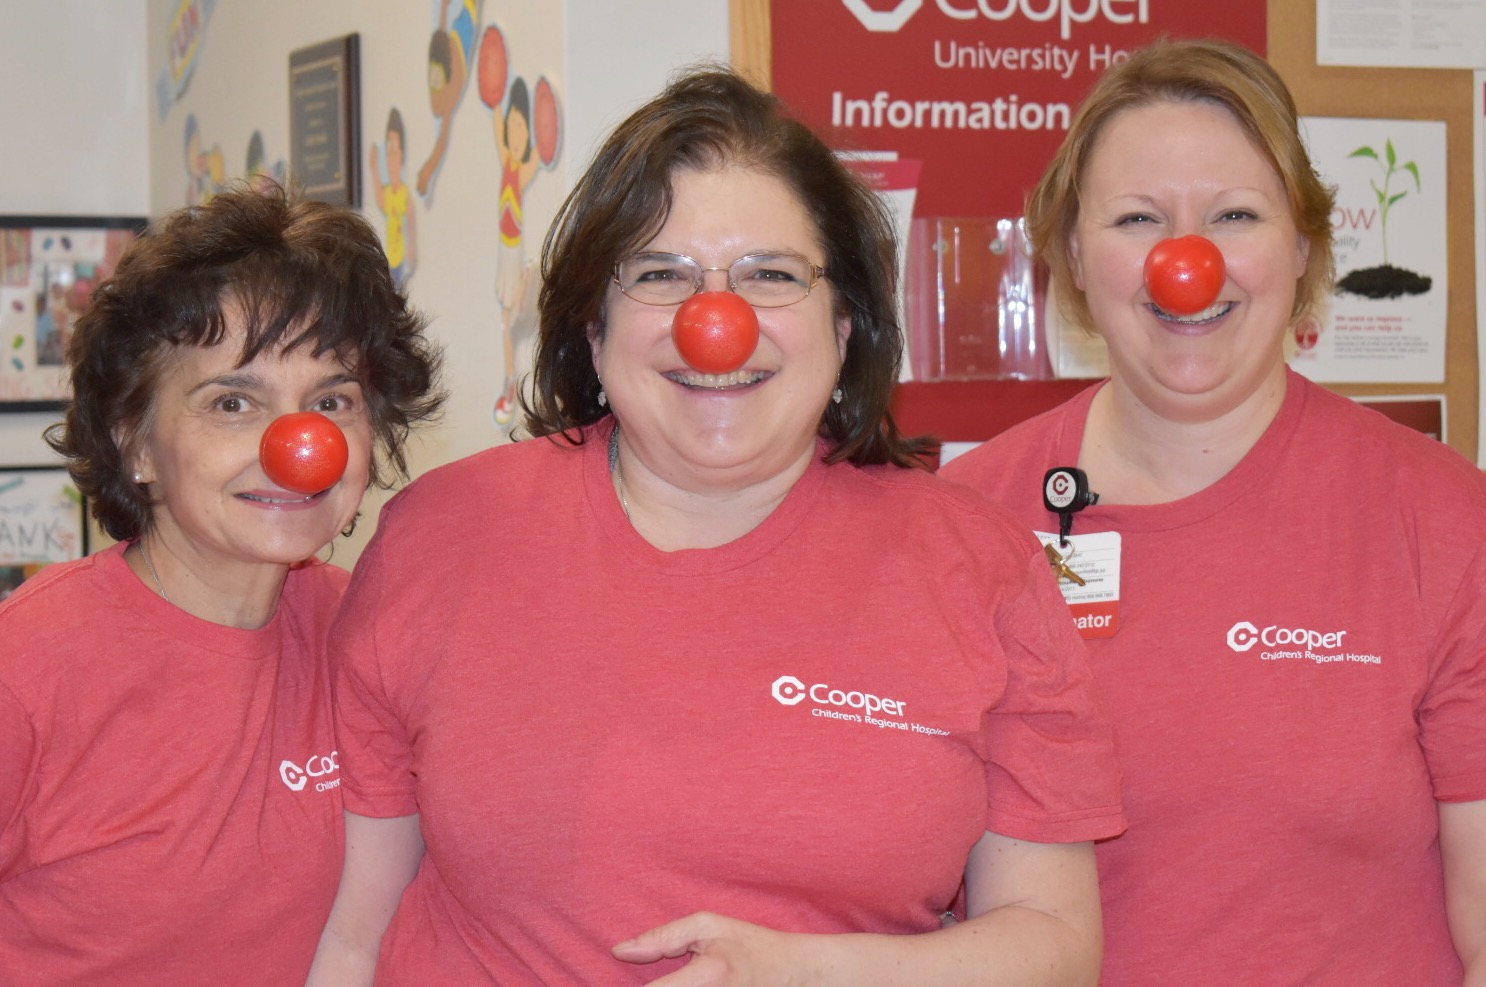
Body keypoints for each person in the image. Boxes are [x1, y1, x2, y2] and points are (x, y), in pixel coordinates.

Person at [307, 68, 1125, 986]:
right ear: (592, 324)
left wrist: (810, 973)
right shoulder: (440, 535)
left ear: (845, 323)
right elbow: (354, 932)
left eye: (771, 276)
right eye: (662, 276)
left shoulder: (980, 567)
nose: (716, 324)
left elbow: (1055, 944)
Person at [941, 38, 1486, 985]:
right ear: (1073, 251)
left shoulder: (1442, 517)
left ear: (1304, 244)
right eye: (1138, 217)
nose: (1183, 262)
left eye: (1234, 214)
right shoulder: (960, 521)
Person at [0, 183, 443, 983]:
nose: (295, 444)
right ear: (134, 439)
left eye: (331, 399)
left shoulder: (373, 636)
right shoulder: (25, 669)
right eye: (233, 401)